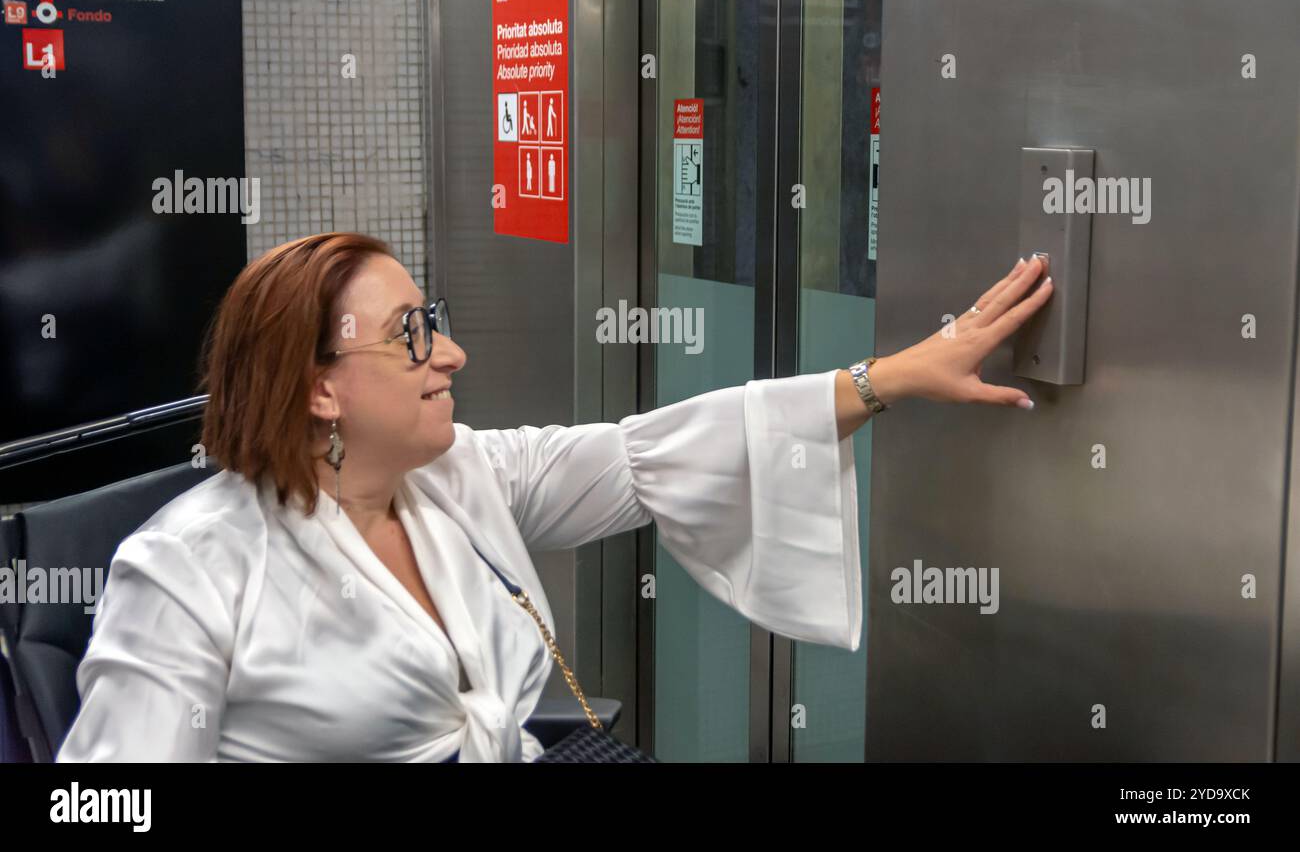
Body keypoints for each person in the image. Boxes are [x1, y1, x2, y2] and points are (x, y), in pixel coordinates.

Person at [56, 233, 1052, 762]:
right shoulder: (190, 570)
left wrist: (890, 377)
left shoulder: (455, 477)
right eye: (410, 334)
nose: (451, 351)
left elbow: (656, 451)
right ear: (317, 384)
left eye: (435, 321)